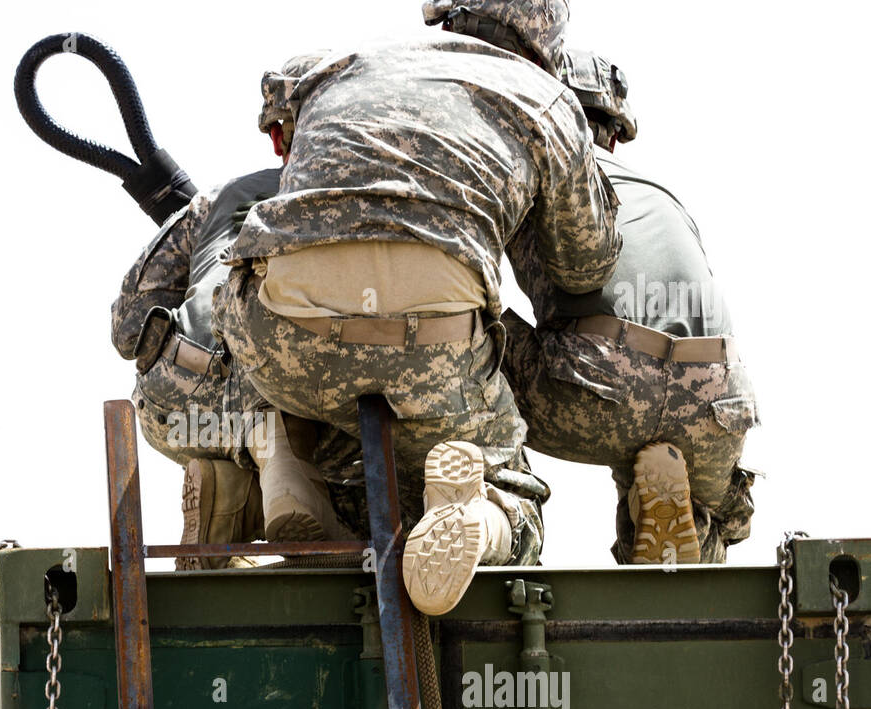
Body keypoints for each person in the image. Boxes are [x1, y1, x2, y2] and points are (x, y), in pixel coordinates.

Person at [213, 0, 621, 614]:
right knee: (515, 493)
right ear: (549, 37)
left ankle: (284, 462)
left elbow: (285, 132)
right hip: (431, 347)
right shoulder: (547, 100)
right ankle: (476, 515)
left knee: (244, 317)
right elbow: (584, 264)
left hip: (282, 328)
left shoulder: (346, 61)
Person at [502, 50, 759, 564]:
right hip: (717, 402)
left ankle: (489, 510)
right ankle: (680, 545)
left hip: (603, 385)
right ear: (614, 135)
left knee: (464, 336)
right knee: (675, 480)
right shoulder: (662, 194)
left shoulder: (538, 170)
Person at [111, 166, 360, 569]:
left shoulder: (224, 196)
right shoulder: (382, 190)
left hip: (179, 410)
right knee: (372, 500)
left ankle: (236, 494)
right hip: (300, 399)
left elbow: (127, 330)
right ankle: (281, 457)